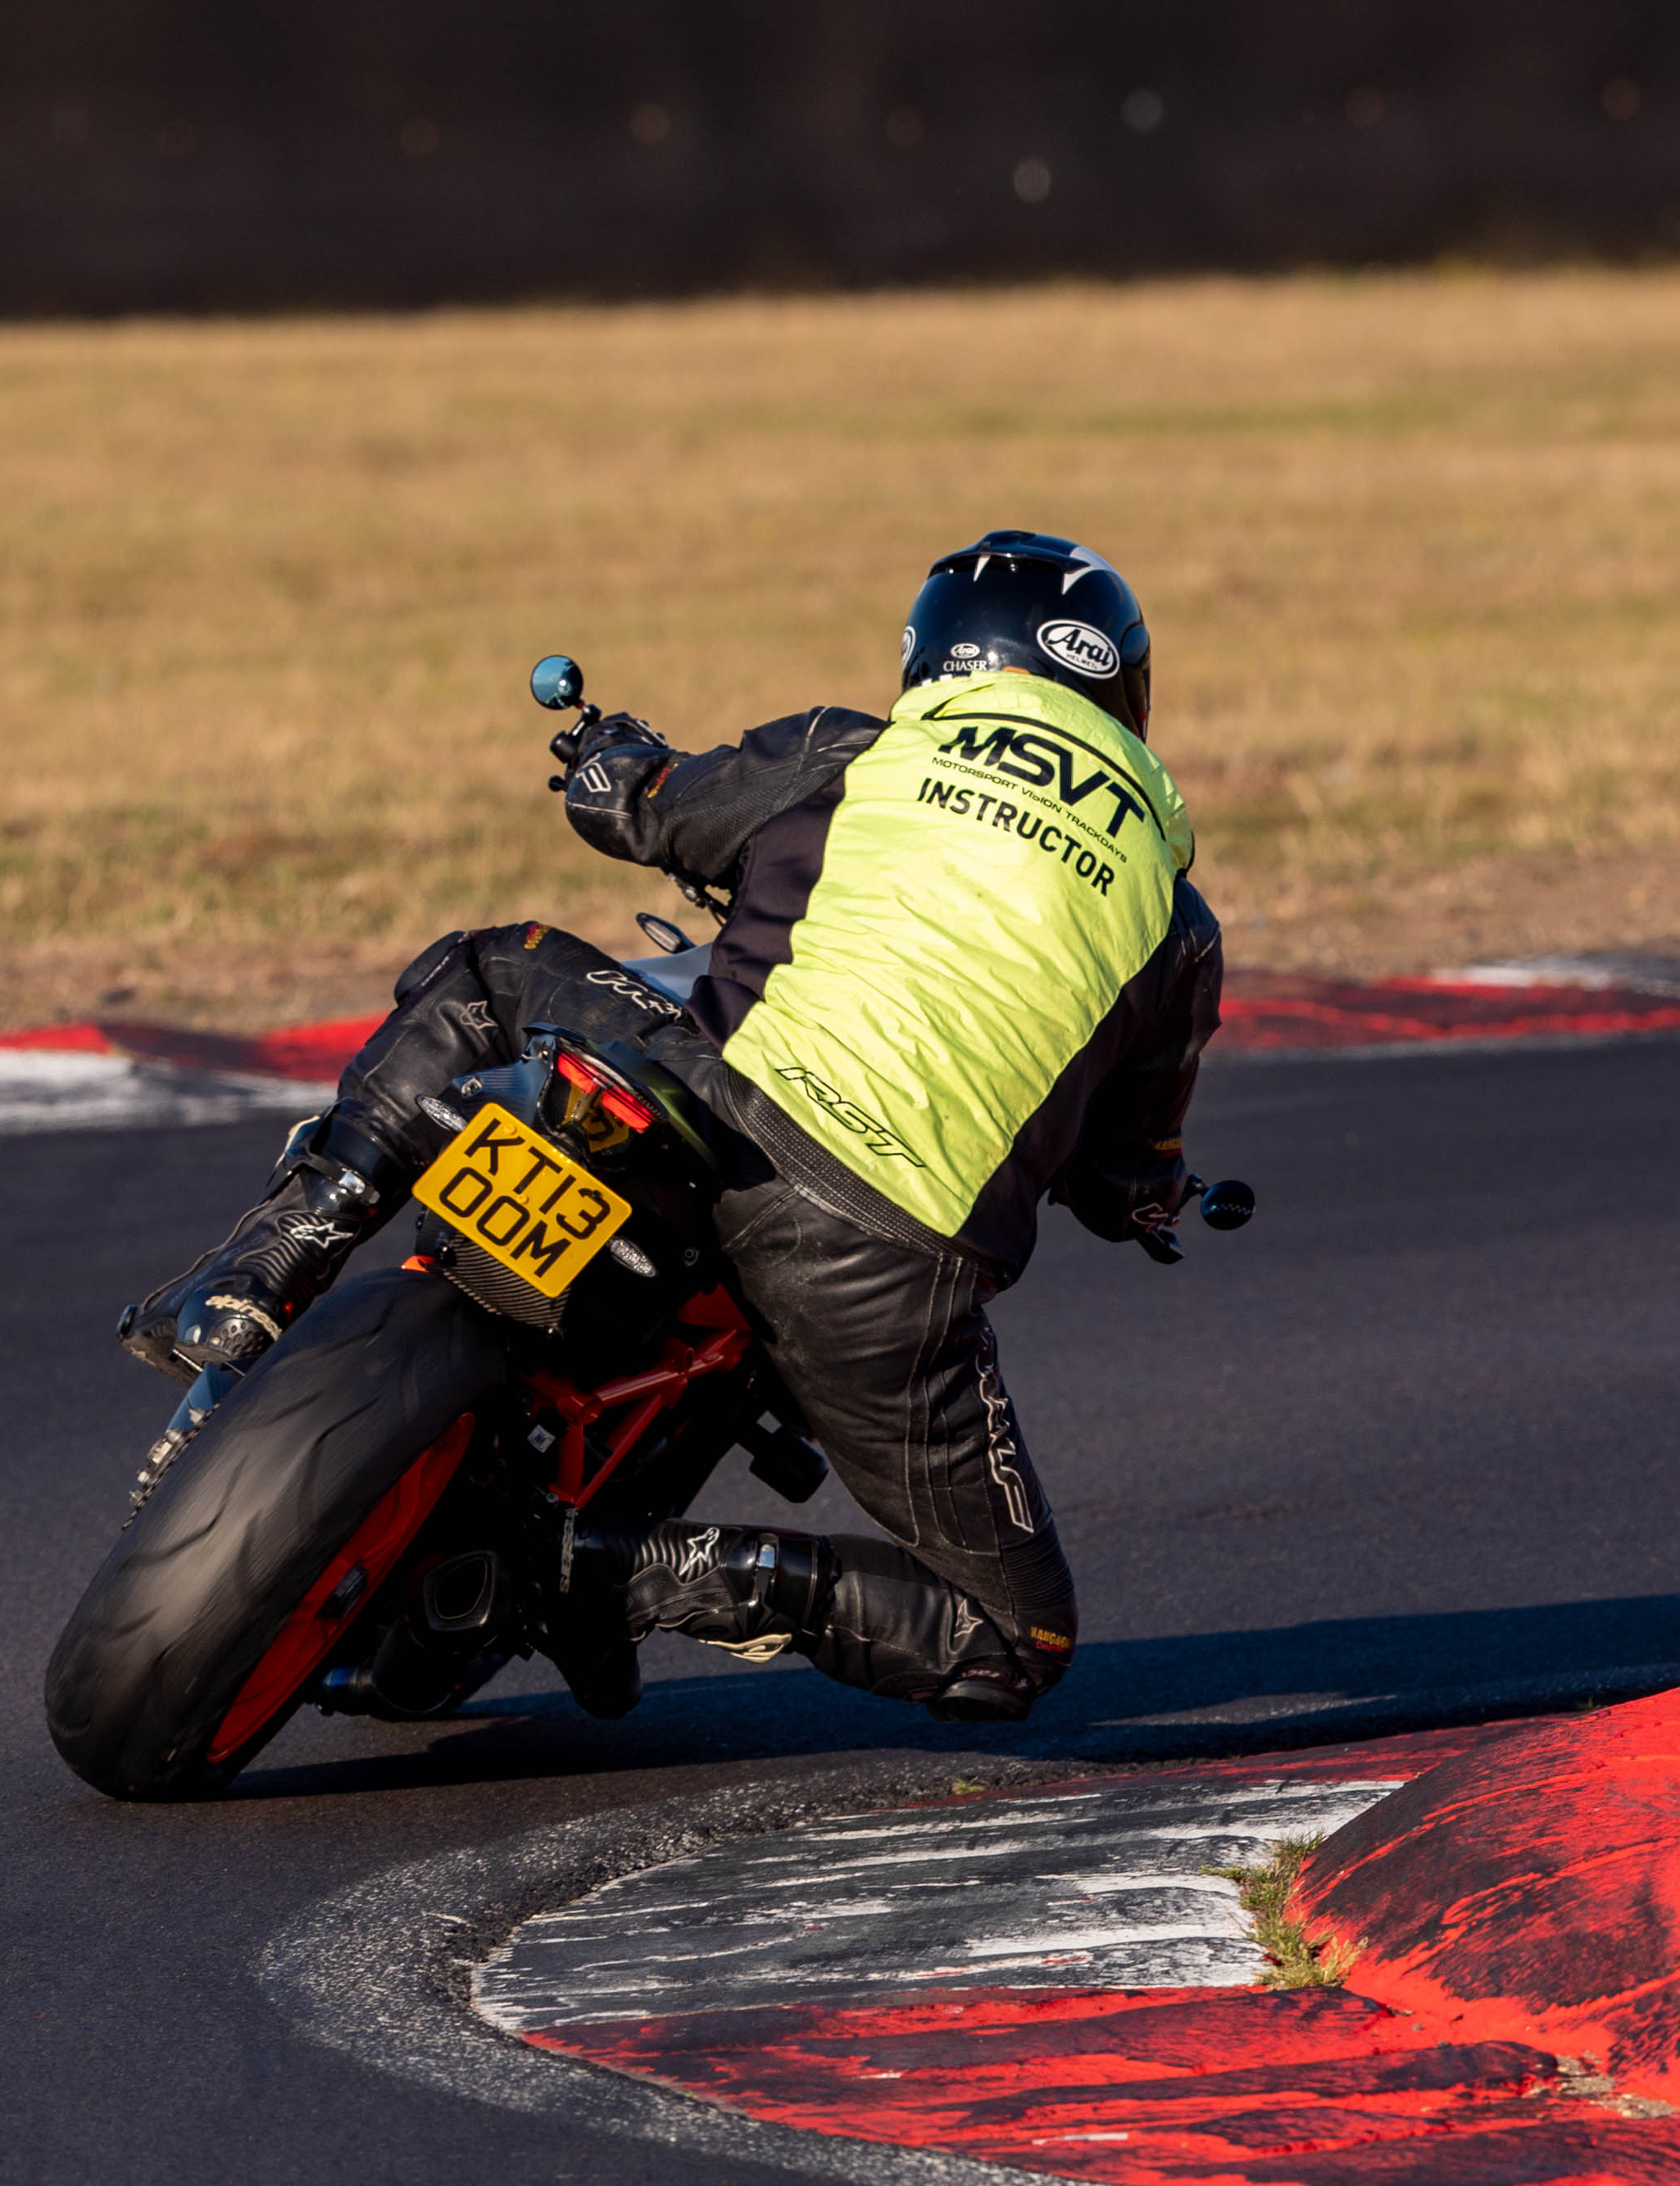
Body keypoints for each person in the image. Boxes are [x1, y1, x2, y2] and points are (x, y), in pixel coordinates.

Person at [118, 531, 1223, 1721]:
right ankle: (593, 1566)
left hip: (709, 1104)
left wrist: (611, 753)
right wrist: (1148, 1200)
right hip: (883, 1265)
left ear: (932, 661)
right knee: (1012, 1636)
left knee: (493, 969)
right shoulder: (1178, 923)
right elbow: (1128, 1172)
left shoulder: (852, 750)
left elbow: (633, 806)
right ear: (1123, 690)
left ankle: (258, 1278)